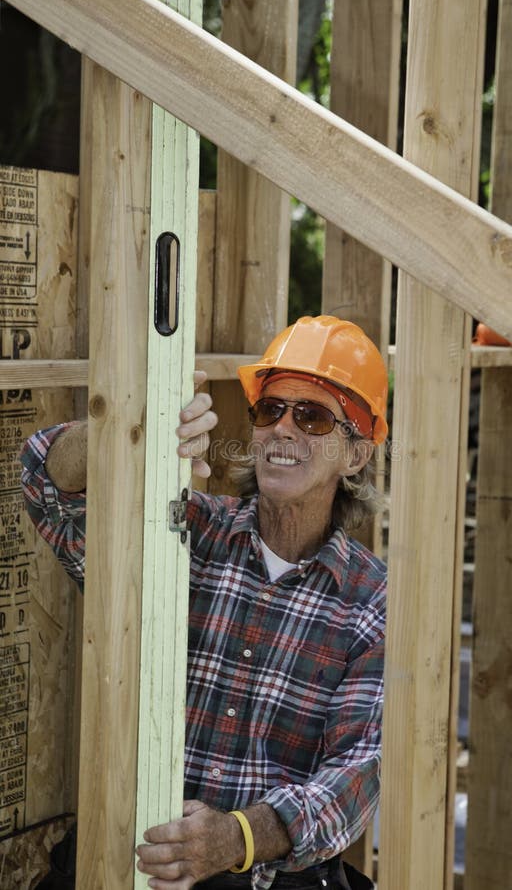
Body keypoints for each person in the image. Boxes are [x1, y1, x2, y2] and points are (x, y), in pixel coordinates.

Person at [21, 315, 388, 890]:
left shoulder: (373, 602)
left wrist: (237, 839)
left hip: (265, 878)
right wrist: (133, 426)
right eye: (271, 410)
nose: (284, 429)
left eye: (313, 416)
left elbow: (356, 776)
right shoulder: (188, 532)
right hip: (127, 855)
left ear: (357, 455)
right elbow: (45, 483)